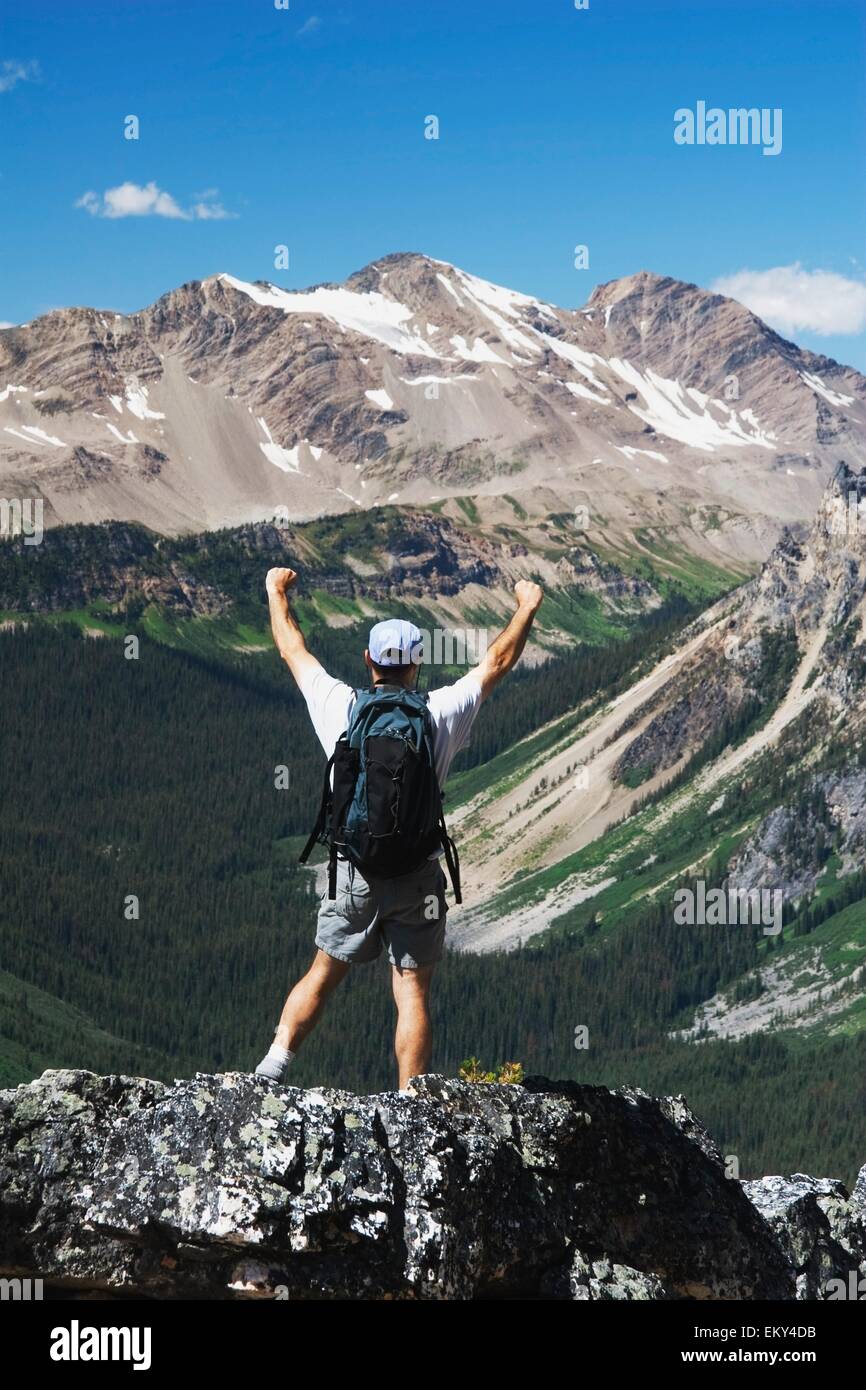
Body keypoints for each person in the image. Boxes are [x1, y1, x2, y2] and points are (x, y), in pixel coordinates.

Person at [255, 565, 544, 1089]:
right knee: (412, 990)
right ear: (418, 663)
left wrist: (277, 592)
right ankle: (411, 1102)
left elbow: (291, 650)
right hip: (417, 875)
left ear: (367, 660)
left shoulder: (341, 707)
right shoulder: (439, 713)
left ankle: (273, 1066)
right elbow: (496, 662)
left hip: (355, 870)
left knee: (323, 972)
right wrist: (526, 606)